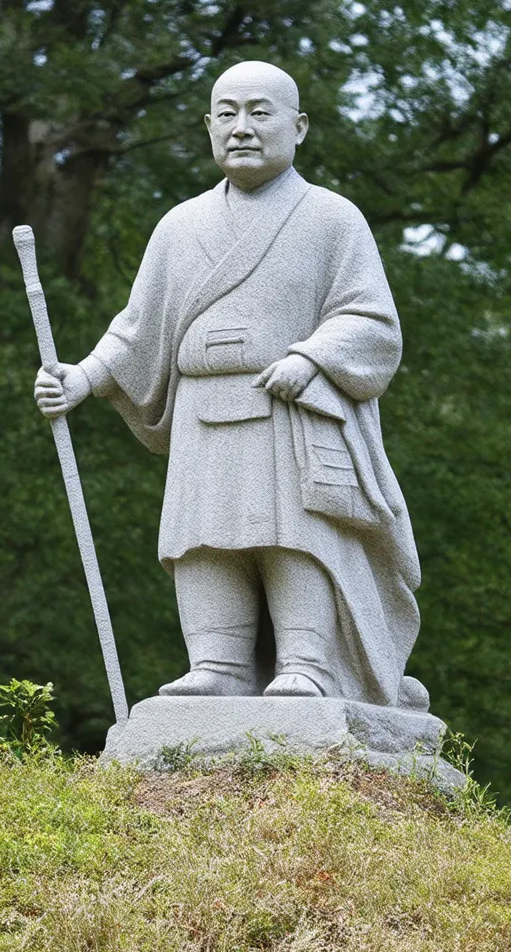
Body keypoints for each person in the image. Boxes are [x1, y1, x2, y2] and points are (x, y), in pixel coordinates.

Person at [35, 60, 425, 708]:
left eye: (259, 112)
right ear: (209, 126)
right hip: (200, 410)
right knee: (201, 541)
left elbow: (371, 321)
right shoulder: (179, 227)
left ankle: (307, 662)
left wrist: (313, 358)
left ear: (298, 127)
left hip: (287, 409)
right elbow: (136, 330)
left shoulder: (333, 219)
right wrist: (83, 377)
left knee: (292, 535)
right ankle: (217, 662)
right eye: (227, 113)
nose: (241, 127)